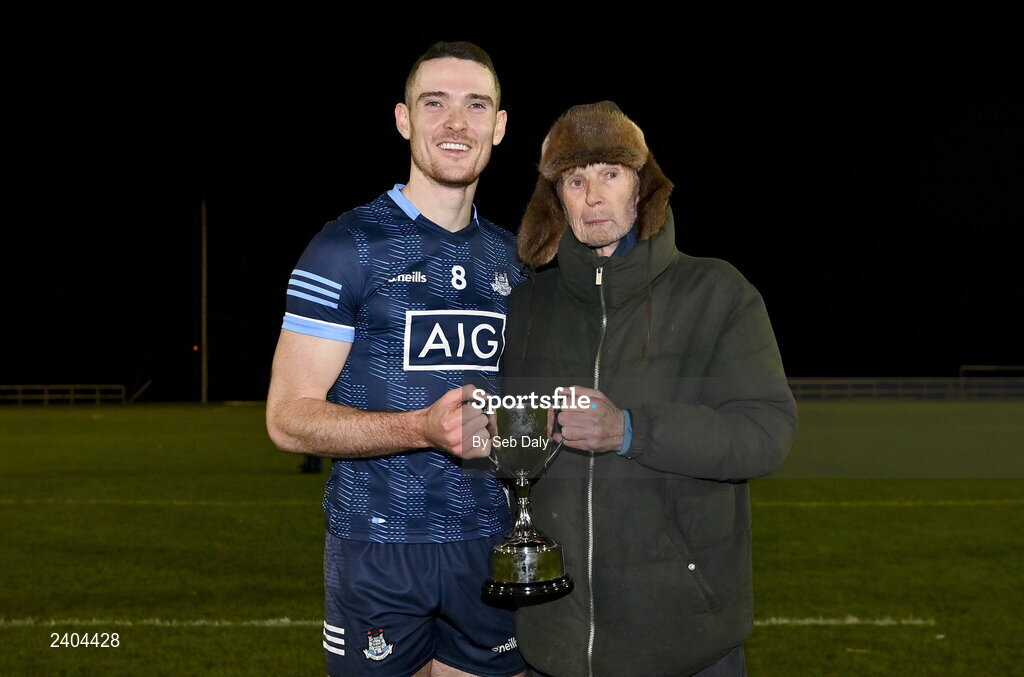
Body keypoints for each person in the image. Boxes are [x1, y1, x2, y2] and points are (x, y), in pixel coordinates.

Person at [503, 102, 798, 676]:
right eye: (575, 179)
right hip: (553, 642)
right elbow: (519, 451)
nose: (593, 196)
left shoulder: (717, 292)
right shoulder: (528, 307)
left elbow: (766, 432)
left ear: (641, 187)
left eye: (611, 174)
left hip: (685, 643)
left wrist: (631, 430)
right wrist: (488, 433)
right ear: (556, 199)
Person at [266, 42, 526, 677]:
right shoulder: (347, 246)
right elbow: (287, 419)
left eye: (476, 105)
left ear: (499, 126)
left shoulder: (516, 260)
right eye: (434, 103)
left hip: (493, 546)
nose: (456, 124)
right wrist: (420, 429)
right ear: (404, 120)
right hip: (377, 551)